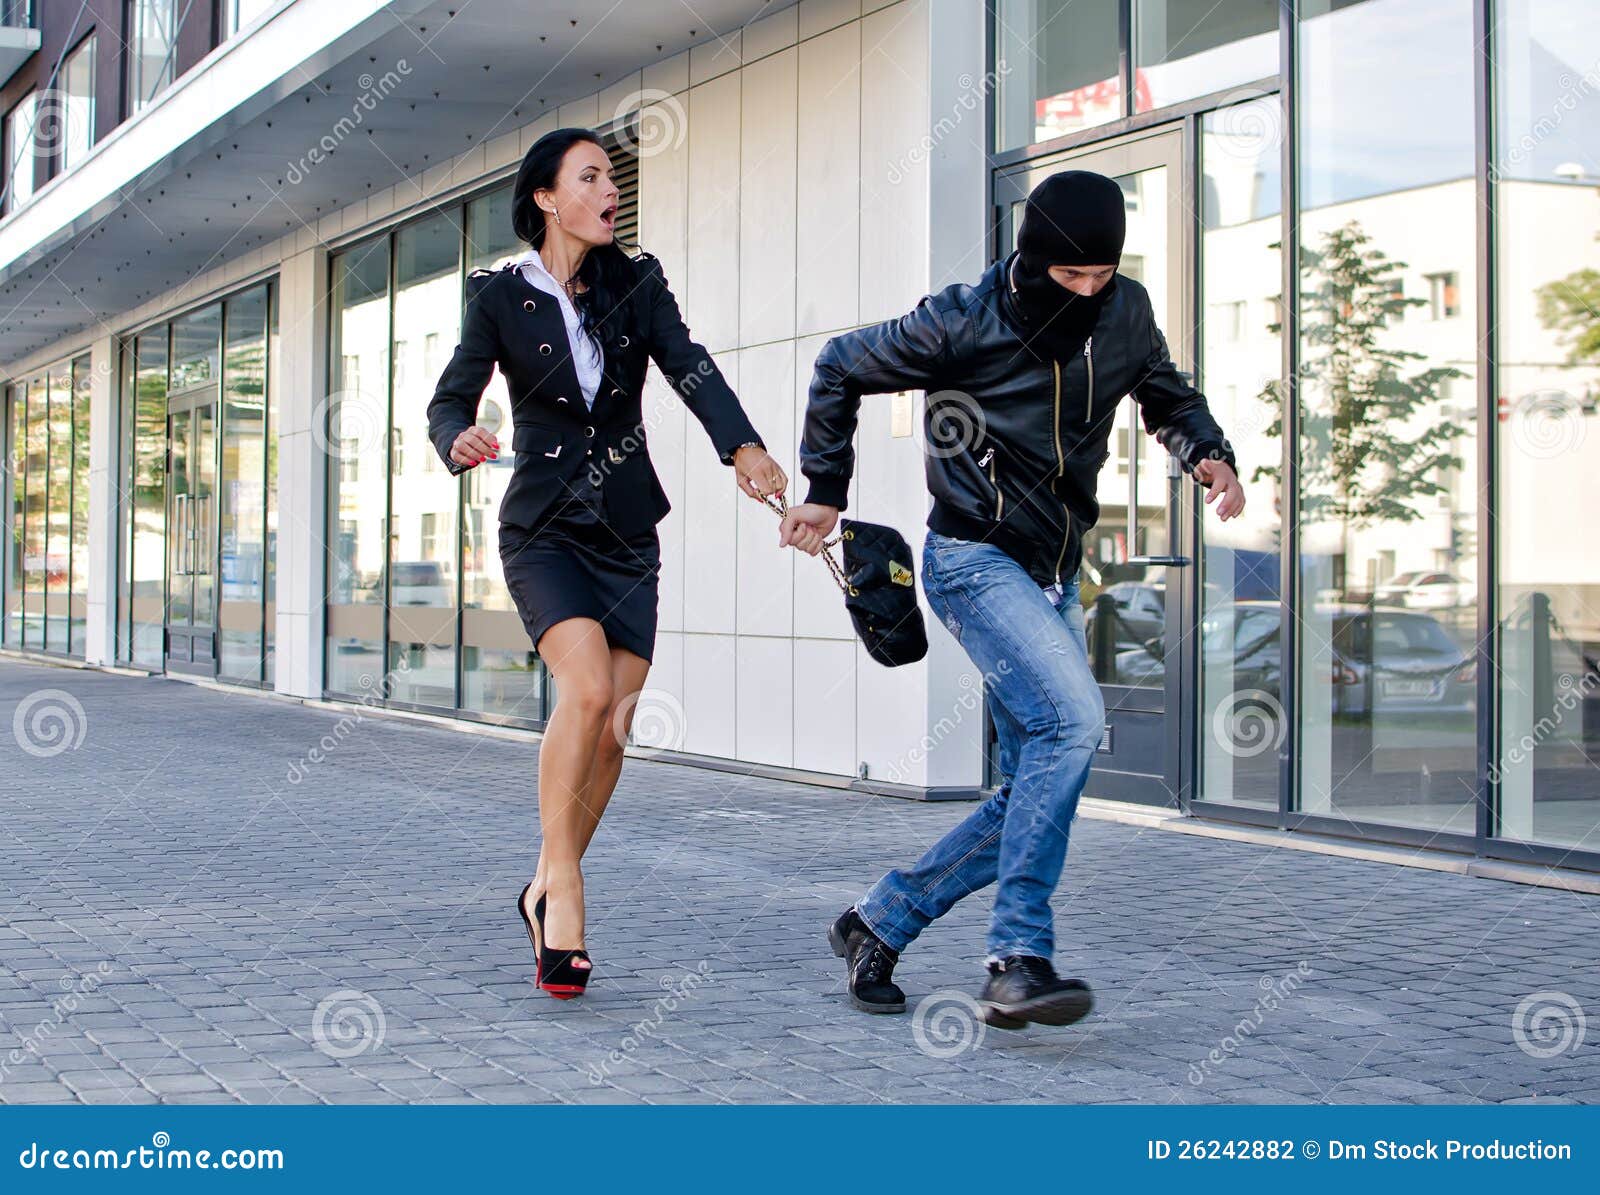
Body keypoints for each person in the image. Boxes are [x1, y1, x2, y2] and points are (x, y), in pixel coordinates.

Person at [781, 170, 1244, 1028]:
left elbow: (1162, 388)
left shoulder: (1126, 311)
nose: (1086, 292)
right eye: (1070, 278)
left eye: (1100, 277)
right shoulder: (964, 318)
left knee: (1034, 780)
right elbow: (839, 365)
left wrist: (1203, 448)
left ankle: (880, 920)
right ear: (1032, 260)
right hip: (972, 558)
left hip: (1055, 569)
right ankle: (1018, 954)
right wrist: (824, 487)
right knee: (1072, 725)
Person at [427, 128, 786, 999]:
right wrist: (458, 437)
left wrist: (742, 445)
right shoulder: (499, 298)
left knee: (617, 722)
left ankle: (542, 884)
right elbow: (449, 398)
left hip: (625, 528)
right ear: (546, 198)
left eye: (612, 178)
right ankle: (568, 890)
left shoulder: (638, 282)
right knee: (584, 690)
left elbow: (690, 368)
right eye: (588, 177)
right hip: (544, 525)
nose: (608, 190)